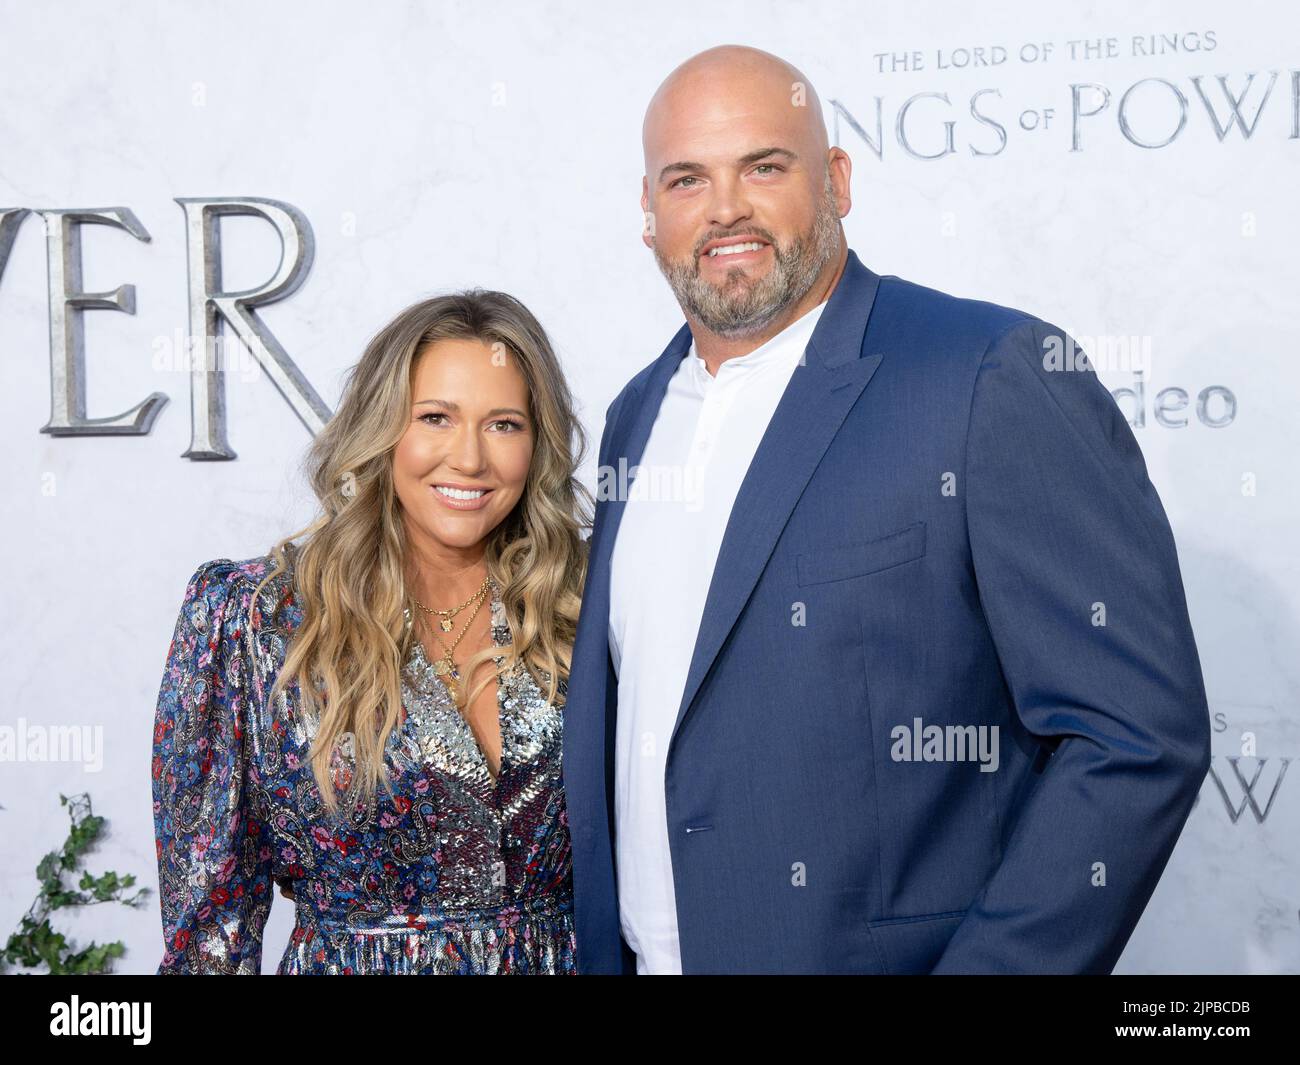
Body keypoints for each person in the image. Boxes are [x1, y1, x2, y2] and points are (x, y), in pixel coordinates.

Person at [561, 45, 1212, 974]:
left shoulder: (985, 374)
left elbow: (1137, 734)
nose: (725, 207)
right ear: (649, 212)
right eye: (686, 178)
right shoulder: (636, 413)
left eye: (765, 166)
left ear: (836, 180)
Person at [151, 291, 591, 973]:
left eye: (503, 424)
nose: (469, 458)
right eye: (435, 417)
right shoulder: (256, 618)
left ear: (538, 445)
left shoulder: (584, 604)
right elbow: (211, 930)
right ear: (382, 428)